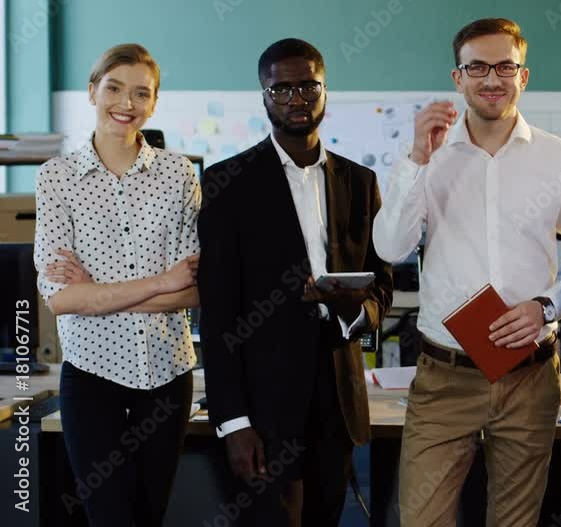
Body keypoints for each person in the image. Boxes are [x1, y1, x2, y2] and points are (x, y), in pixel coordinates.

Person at [372, 18, 561, 526]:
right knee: (421, 519)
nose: (492, 79)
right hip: (444, 374)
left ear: (524, 75)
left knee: (514, 522)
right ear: (458, 77)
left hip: (529, 373)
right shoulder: (429, 157)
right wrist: (416, 160)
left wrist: (546, 306)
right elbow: (389, 245)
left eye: (504, 66)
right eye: (477, 67)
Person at [197, 38, 392, 526]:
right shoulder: (228, 183)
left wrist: (355, 310)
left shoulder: (359, 181)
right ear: (264, 96)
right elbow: (218, 311)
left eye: (307, 86)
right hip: (263, 405)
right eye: (280, 89)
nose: (295, 99)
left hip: (338, 396)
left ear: (324, 90)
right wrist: (233, 422)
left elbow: (382, 281)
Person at [33, 43, 200, 525]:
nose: (126, 103)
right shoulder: (56, 178)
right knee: (109, 517)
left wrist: (100, 295)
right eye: (114, 88)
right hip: (91, 376)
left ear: (154, 103)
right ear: (92, 91)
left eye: (141, 93)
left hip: (168, 374)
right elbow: (62, 299)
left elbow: (195, 290)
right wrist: (161, 282)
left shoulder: (178, 174)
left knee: (150, 515)